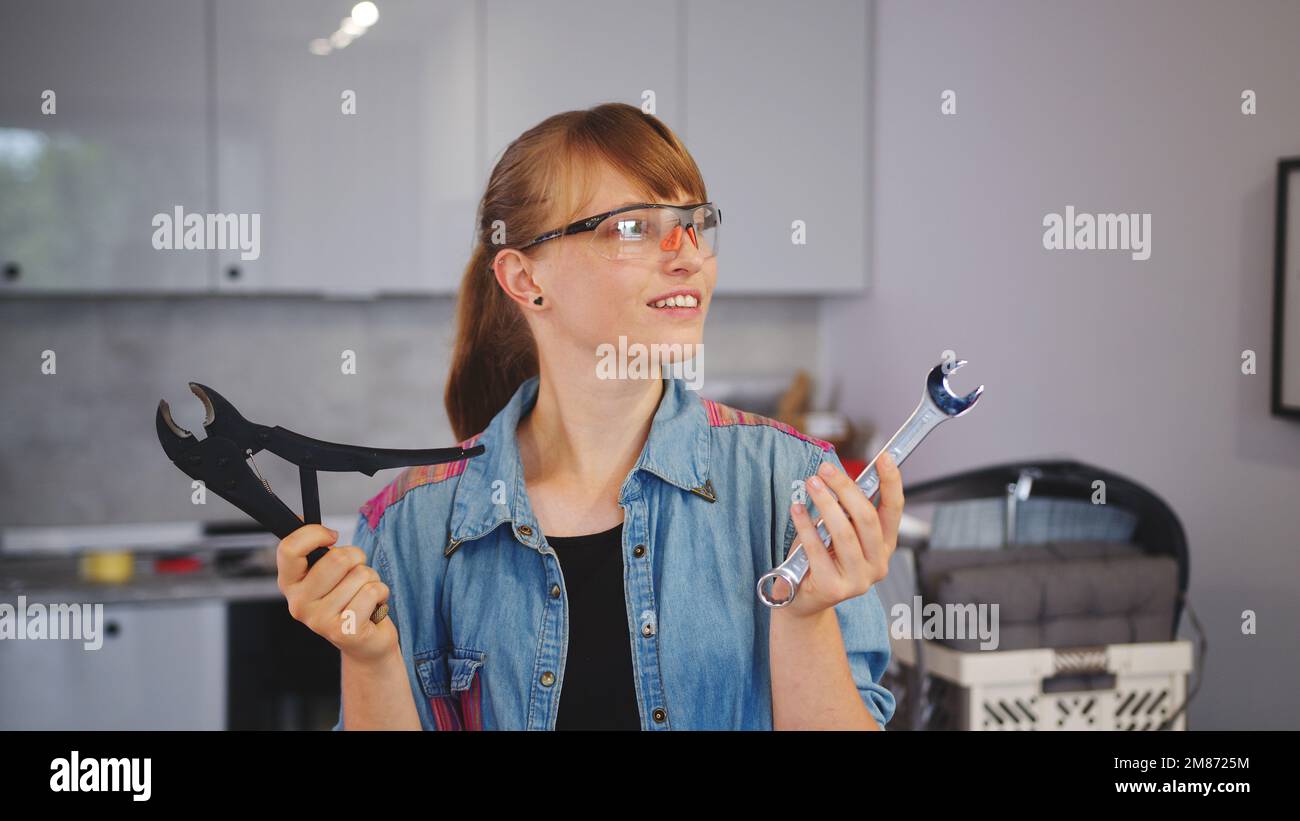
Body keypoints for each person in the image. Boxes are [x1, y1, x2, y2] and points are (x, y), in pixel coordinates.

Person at [277, 102, 902, 730]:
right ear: (524, 279)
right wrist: (368, 657)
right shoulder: (409, 525)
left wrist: (804, 615)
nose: (688, 257)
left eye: (694, 223)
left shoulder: (790, 484)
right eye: (631, 228)